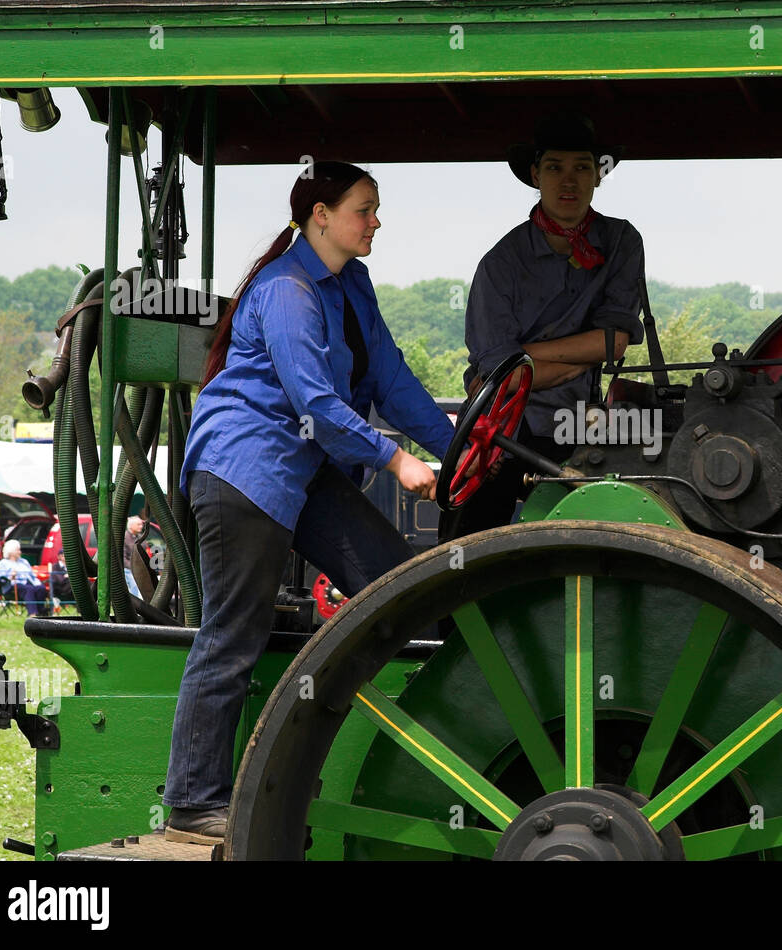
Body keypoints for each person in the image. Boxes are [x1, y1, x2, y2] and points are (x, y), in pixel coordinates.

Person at [163, 161, 455, 846]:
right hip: (246, 470)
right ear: (320, 215)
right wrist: (398, 459)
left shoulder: (350, 283)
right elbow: (317, 407)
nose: (376, 221)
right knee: (234, 633)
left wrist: (463, 448)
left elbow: (392, 378)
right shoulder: (287, 289)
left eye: (376, 208)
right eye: (364, 209)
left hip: (303, 469)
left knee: (398, 584)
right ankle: (192, 800)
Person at [439, 112, 645, 540]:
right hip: (508, 429)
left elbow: (615, 342)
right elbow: (502, 378)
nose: (568, 182)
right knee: (464, 542)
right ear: (535, 174)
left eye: (581, 168)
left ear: (598, 176)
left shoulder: (623, 241)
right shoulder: (500, 265)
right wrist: (574, 358)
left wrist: (529, 355)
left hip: (584, 425)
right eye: (554, 168)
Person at [0, 539, 51, 617]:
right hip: (12, 586)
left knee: (40, 588)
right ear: (11, 551)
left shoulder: (24, 561)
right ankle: (33, 614)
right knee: (28, 589)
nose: (20, 552)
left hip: (29, 583)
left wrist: (38, 583)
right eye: (17, 550)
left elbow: (32, 576)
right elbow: (0, 579)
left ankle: (42, 612)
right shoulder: (3, 563)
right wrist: (11, 576)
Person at [122, 515, 143, 598]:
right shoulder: (124, 538)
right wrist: (134, 567)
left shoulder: (140, 537)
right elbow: (123, 558)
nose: (141, 526)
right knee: (134, 587)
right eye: (138, 524)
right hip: (128, 569)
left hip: (140, 569)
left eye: (141, 524)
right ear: (131, 526)